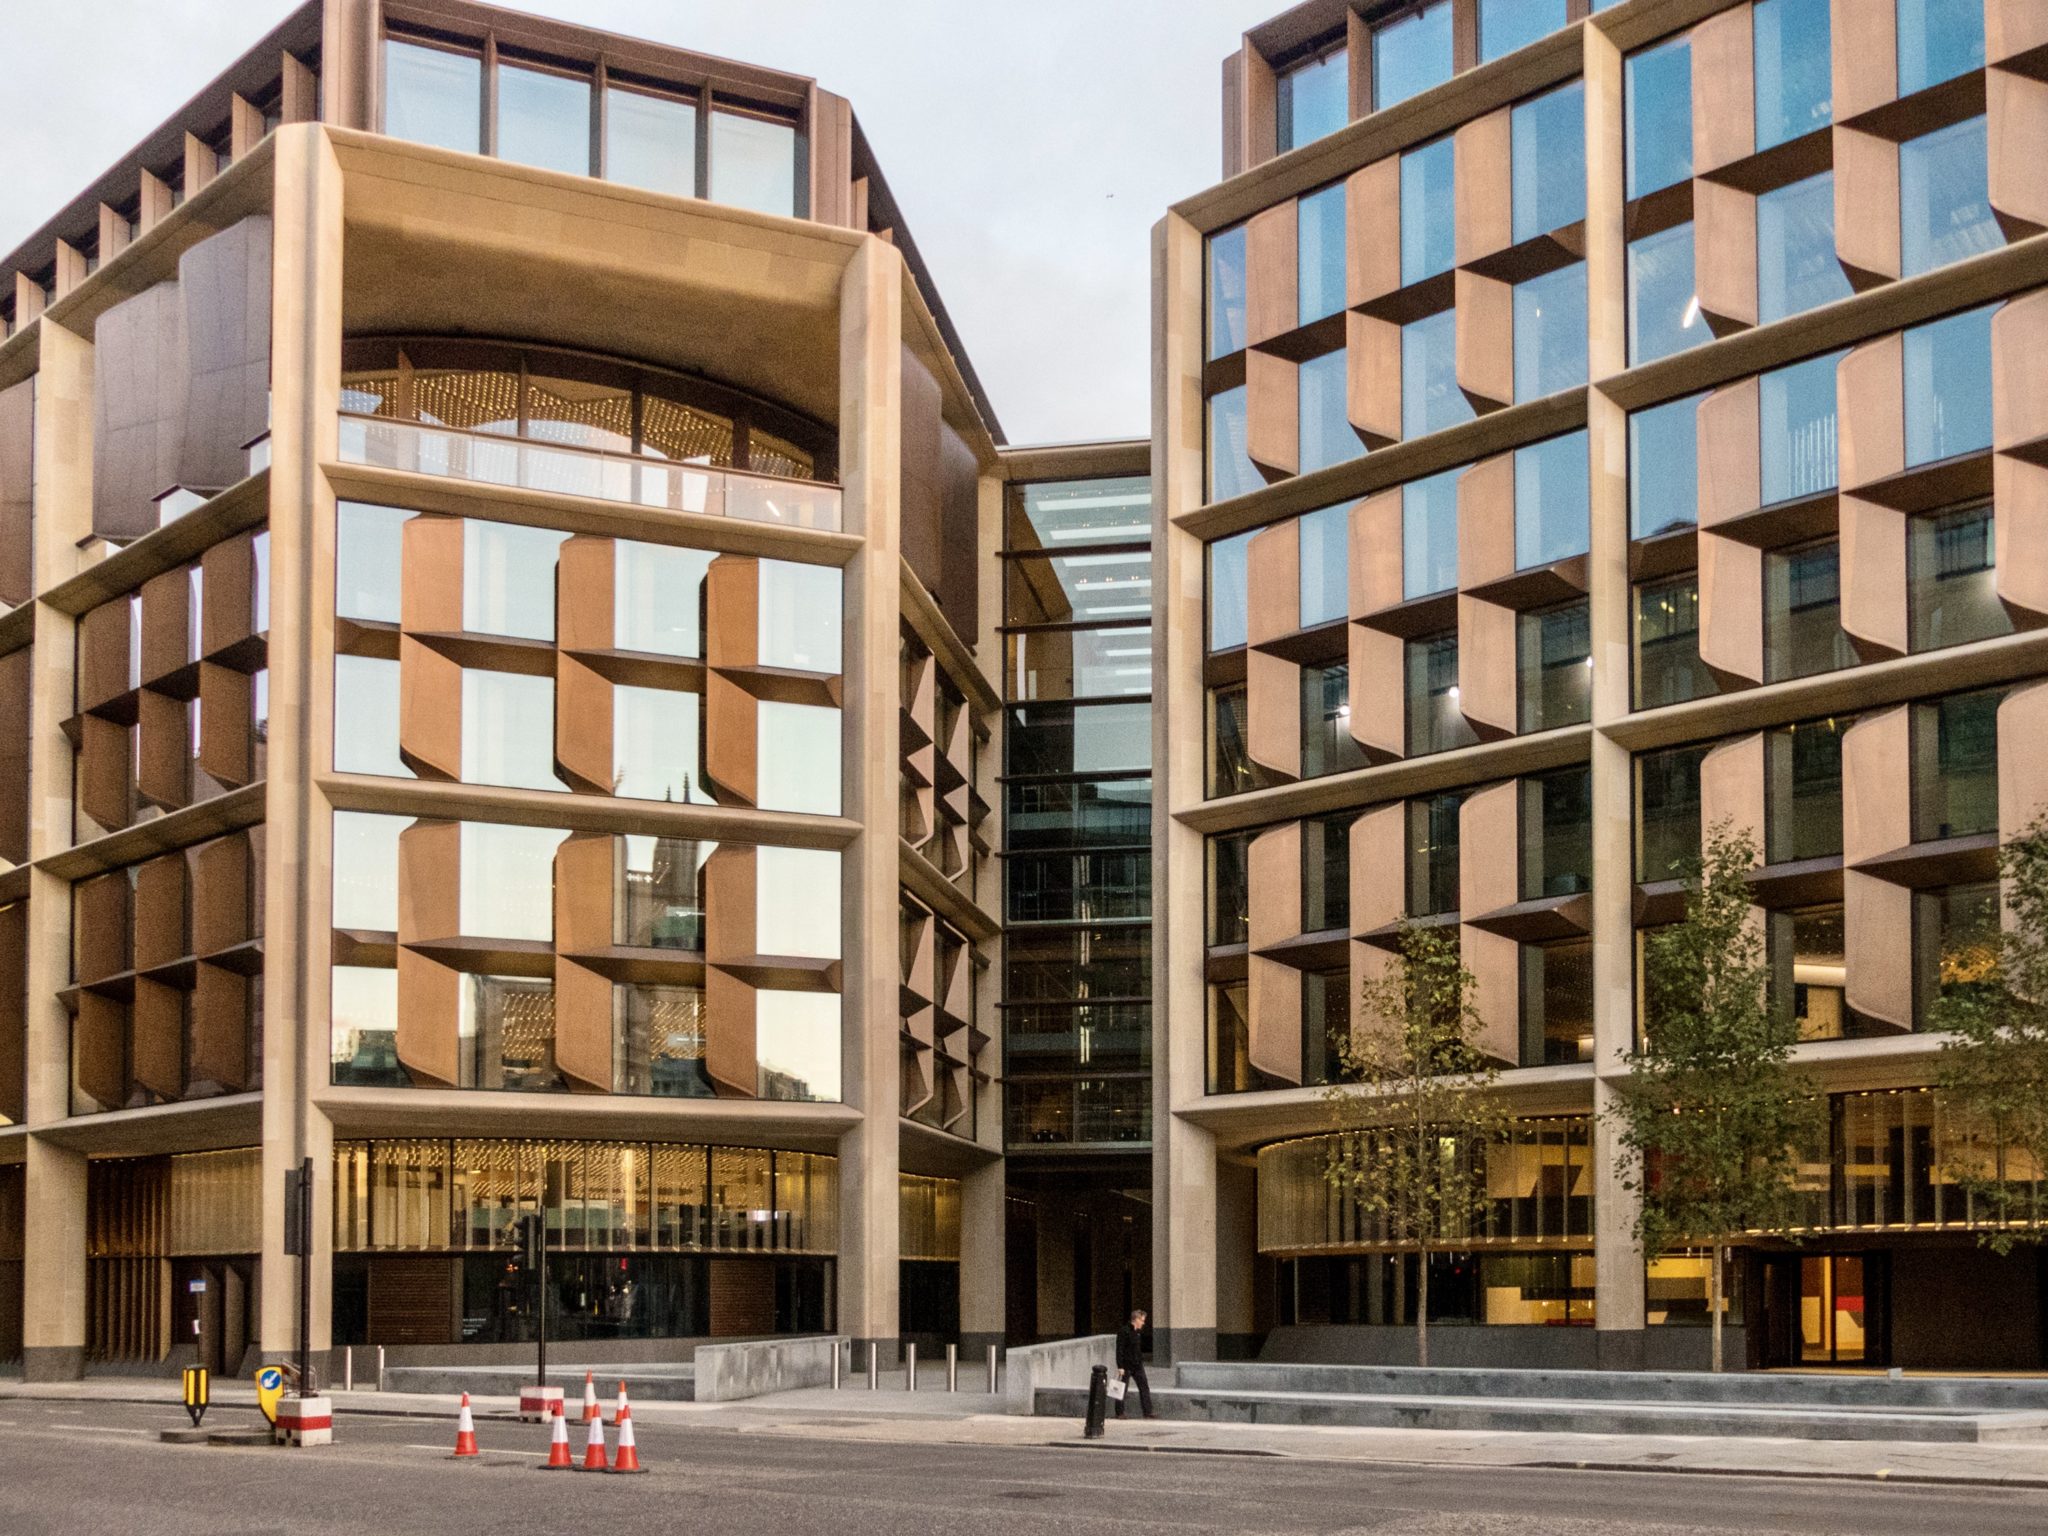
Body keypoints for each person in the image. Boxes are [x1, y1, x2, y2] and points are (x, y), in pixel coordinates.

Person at [1114, 1308, 1155, 1418]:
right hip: (1126, 1365)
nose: (1143, 1322)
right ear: (1136, 1319)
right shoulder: (1124, 1331)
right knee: (1122, 1389)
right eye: (1142, 1320)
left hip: (1137, 1365)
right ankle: (1120, 1412)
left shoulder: (1138, 1333)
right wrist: (1120, 1366)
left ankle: (1148, 1412)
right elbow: (1119, 1349)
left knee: (1144, 1387)